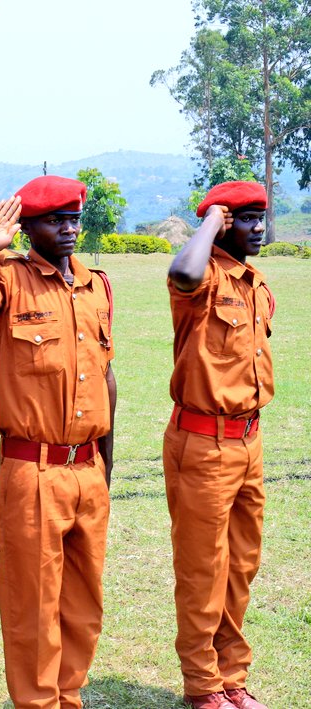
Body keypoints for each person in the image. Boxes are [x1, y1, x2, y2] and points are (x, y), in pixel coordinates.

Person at [0, 176, 116, 709]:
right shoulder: (7, 279)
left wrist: (105, 468)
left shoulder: (96, 285)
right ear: (28, 228)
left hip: (88, 469)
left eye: (73, 219)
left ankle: (69, 697)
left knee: (84, 606)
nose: (67, 229)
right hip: (32, 469)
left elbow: (106, 377)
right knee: (33, 607)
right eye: (53, 220)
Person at [163, 181, 274, 709]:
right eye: (245, 219)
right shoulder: (201, 276)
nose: (259, 228)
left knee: (240, 567)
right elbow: (182, 273)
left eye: (261, 218)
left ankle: (233, 677)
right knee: (203, 569)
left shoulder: (255, 283)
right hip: (203, 444)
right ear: (223, 224)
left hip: (248, 442)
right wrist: (211, 219)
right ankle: (203, 685)